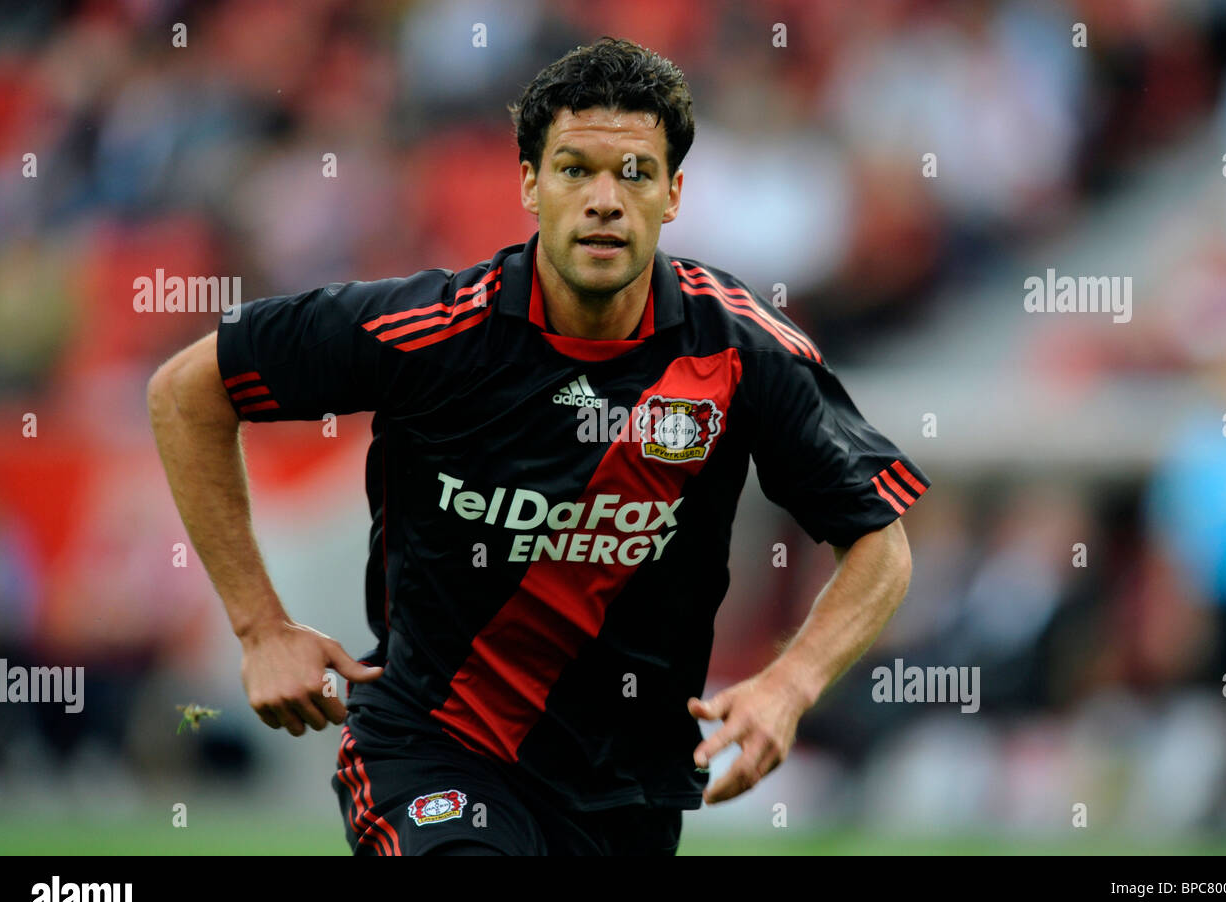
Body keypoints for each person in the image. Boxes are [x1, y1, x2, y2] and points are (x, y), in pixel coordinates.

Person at [147, 37, 929, 855]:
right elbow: (186, 390)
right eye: (573, 169)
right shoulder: (432, 334)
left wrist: (789, 685)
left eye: (633, 173)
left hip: (628, 792)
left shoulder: (745, 354)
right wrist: (260, 628)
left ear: (673, 195)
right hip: (434, 748)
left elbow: (880, 540)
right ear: (529, 184)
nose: (603, 199)